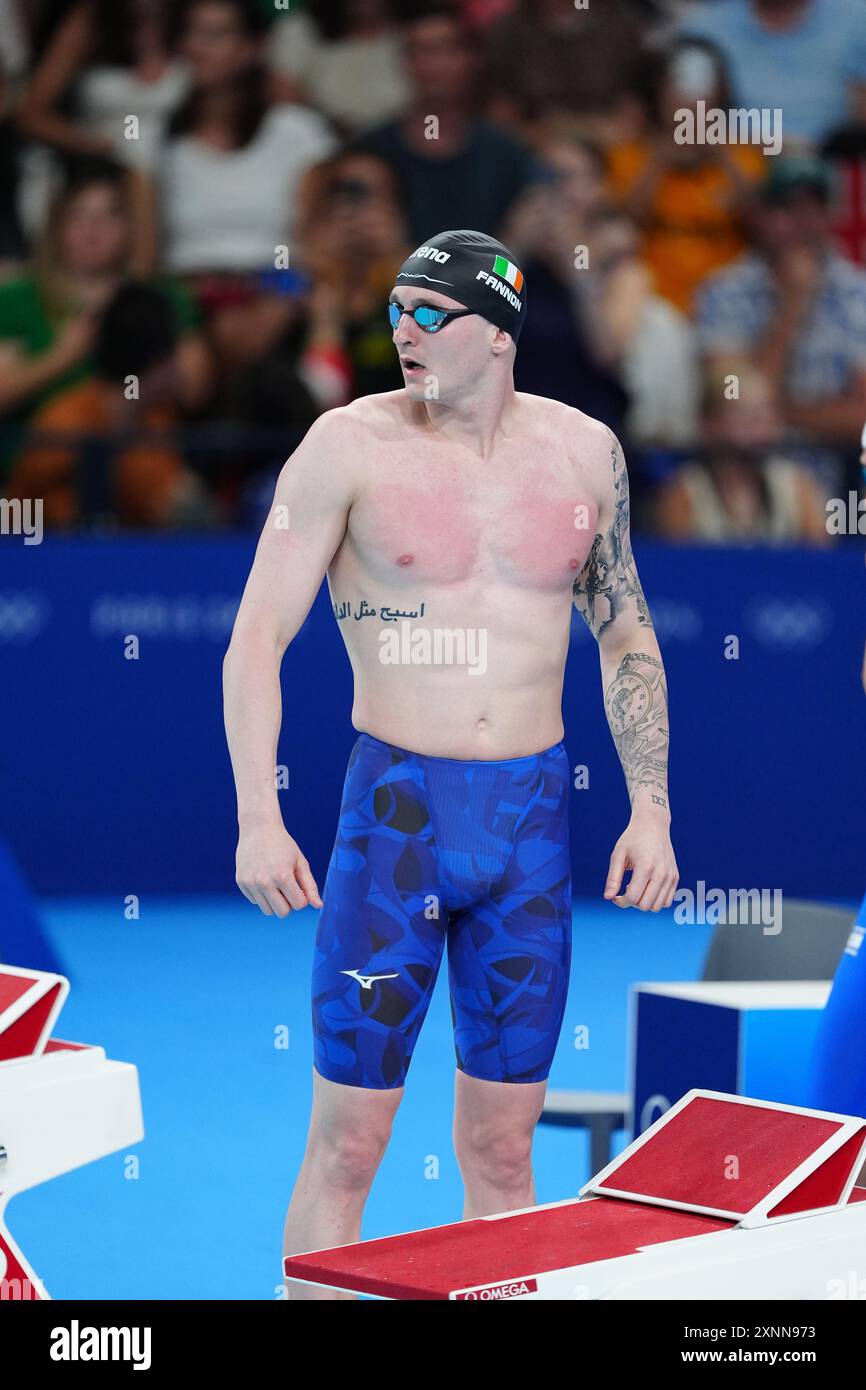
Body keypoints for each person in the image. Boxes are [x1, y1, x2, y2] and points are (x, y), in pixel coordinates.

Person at [222, 229, 678, 1298]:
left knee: (506, 1156)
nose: (402, 333)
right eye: (394, 312)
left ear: (499, 332)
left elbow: (626, 636)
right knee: (345, 1147)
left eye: (429, 314)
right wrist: (256, 814)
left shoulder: (582, 453)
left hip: (526, 830)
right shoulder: (346, 446)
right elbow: (255, 639)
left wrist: (649, 806)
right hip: (397, 821)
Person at [0, 157, 212, 487]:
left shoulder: (159, 297)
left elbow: (195, 388)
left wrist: (153, 379)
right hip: (40, 482)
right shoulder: (17, 296)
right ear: (58, 224)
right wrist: (63, 357)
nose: (92, 231)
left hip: (139, 466)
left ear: (130, 227)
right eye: (79, 216)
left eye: (108, 216)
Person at [695, 155, 866, 497]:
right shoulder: (723, 291)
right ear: (759, 215)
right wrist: (792, 306)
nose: (803, 222)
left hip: (841, 484)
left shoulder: (858, 291)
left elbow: (861, 418)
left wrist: (777, 416)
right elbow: (733, 408)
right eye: (787, 207)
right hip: (746, 483)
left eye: (814, 207)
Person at [5, 281, 214, 528]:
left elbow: (169, 506)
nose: (179, 371)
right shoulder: (63, 423)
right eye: (172, 357)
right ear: (156, 363)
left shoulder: (157, 423)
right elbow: (20, 520)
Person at [352, 2, 541, 245]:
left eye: (448, 50)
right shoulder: (371, 152)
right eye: (424, 51)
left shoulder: (507, 154)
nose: (437, 66)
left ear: (473, 60)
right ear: (405, 62)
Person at [606, 37, 766, 314]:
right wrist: (659, 162)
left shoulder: (743, 156)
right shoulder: (630, 155)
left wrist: (723, 159)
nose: (691, 102)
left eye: (701, 86)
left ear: (720, 93)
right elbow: (627, 224)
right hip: (654, 303)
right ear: (660, 92)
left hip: (728, 303)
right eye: (680, 86)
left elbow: (763, 226)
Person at [654, 361, 831, 543]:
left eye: (768, 415)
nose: (762, 427)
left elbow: (820, 563)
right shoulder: (685, 494)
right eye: (747, 417)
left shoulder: (797, 488)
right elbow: (676, 566)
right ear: (710, 424)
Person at [677, 0, 866, 150]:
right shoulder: (704, 28)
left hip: (833, 171)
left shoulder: (856, 18)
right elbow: (685, 128)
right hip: (734, 171)